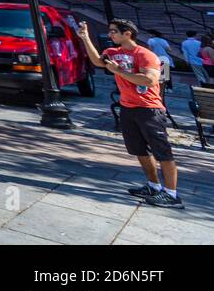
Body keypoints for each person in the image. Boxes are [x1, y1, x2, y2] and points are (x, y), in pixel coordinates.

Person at [77, 20, 183, 209]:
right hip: (128, 107)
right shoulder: (114, 53)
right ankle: (153, 185)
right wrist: (85, 37)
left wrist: (119, 71)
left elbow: (150, 80)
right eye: (110, 31)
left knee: (163, 152)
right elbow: (97, 62)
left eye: (114, 32)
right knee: (139, 150)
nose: (110, 35)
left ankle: (171, 194)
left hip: (149, 109)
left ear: (128, 34)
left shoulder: (145, 54)